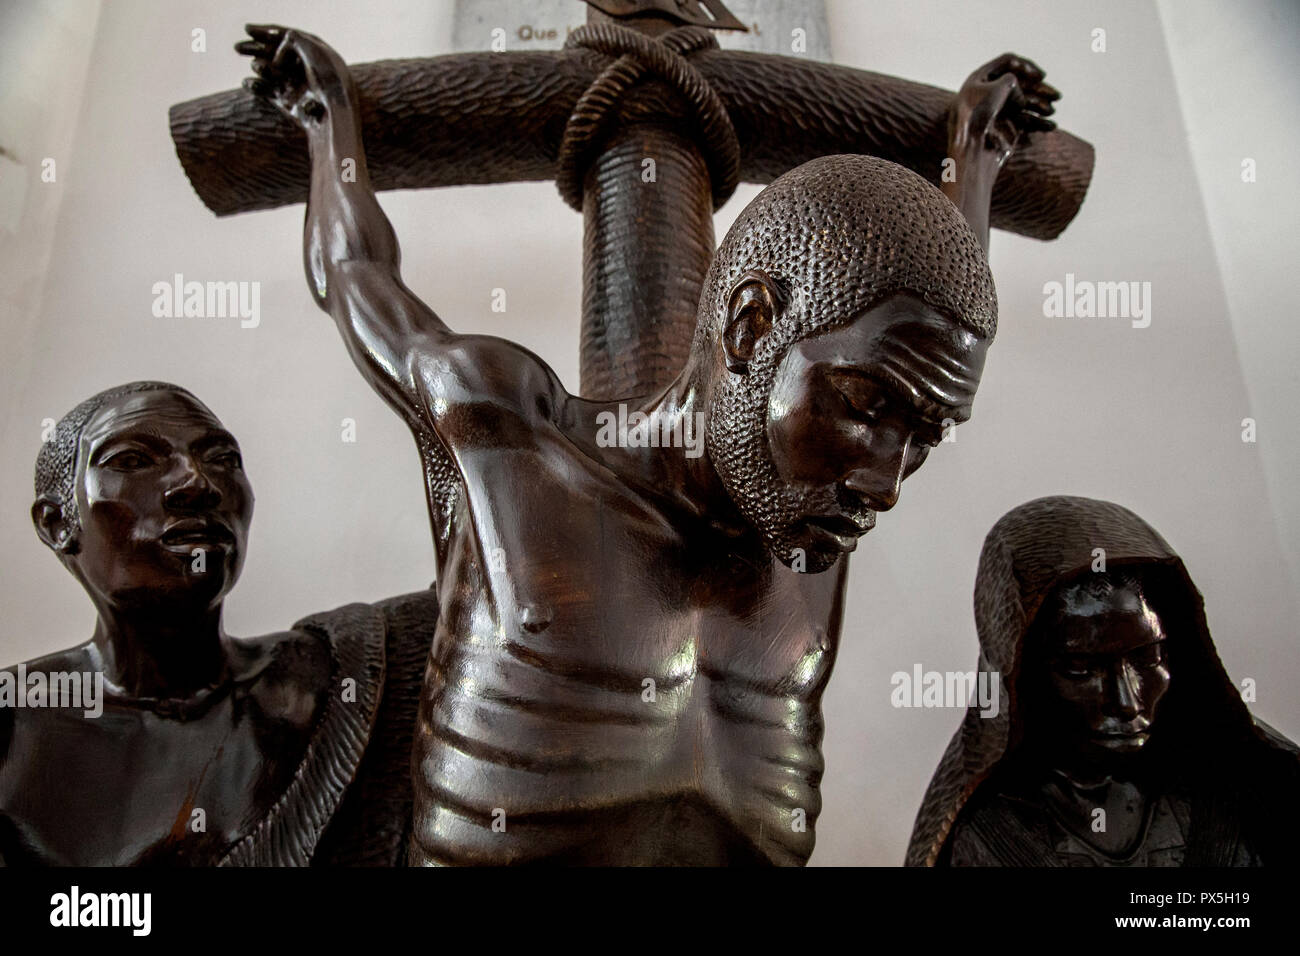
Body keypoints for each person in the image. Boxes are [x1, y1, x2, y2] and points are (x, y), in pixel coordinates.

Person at [239, 25, 1054, 864]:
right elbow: (357, 280)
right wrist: (327, 119)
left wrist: (977, 157)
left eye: (924, 436)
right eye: (862, 406)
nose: (885, 485)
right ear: (750, 326)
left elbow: (919, 316)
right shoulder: (507, 441)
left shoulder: (809, 544)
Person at [0, 381, 431, 865]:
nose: (196, 483)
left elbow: (503, 586)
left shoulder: (354, 670)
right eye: (133, 460)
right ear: (59, 525)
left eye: (222, 458)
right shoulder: (15, 725)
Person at [906, 495, 1300, 867]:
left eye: (1147, 657)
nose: (1126, 702)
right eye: (1081, 667)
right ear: (1021, 673)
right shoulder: (989, 839)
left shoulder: (1241, 799)